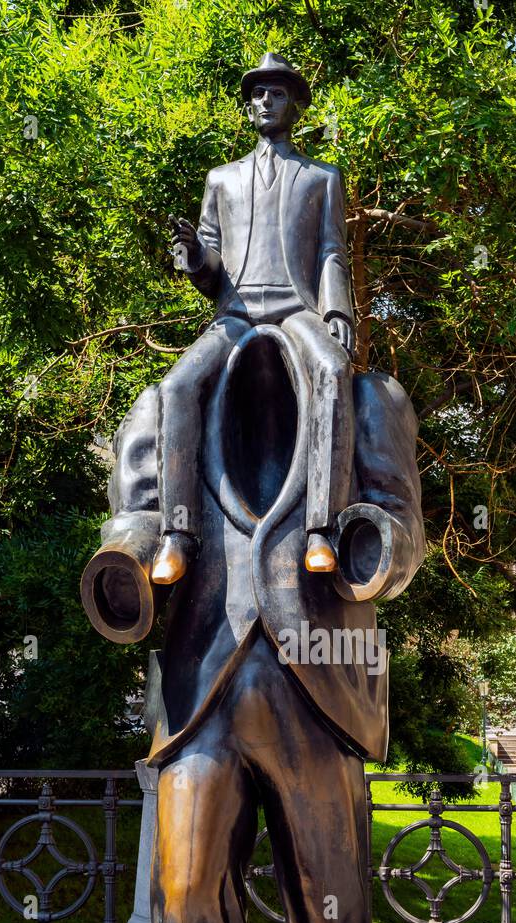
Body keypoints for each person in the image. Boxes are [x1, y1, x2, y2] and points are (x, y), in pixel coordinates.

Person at [152, 52, 356, 585]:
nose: (265, 101)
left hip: (297, 311)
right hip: (235, 315)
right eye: (258, 94)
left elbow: (333, 251)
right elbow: (212, 270)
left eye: (277, 93)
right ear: (248, 106)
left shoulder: (322, 178)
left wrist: (337, 310)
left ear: (296, 105)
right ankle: (177, 535)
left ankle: (320, 530)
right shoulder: (221, 180)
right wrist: (194, 255)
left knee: (333, 373)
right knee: (175, 388)